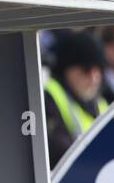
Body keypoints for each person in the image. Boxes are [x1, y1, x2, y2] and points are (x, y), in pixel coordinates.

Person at [44, 28, 107, 166]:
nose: (94, 78)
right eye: (86, 70)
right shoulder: (48, 97)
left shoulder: (100, 103)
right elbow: (59, 152)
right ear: (67, 70)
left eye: (99, 70)